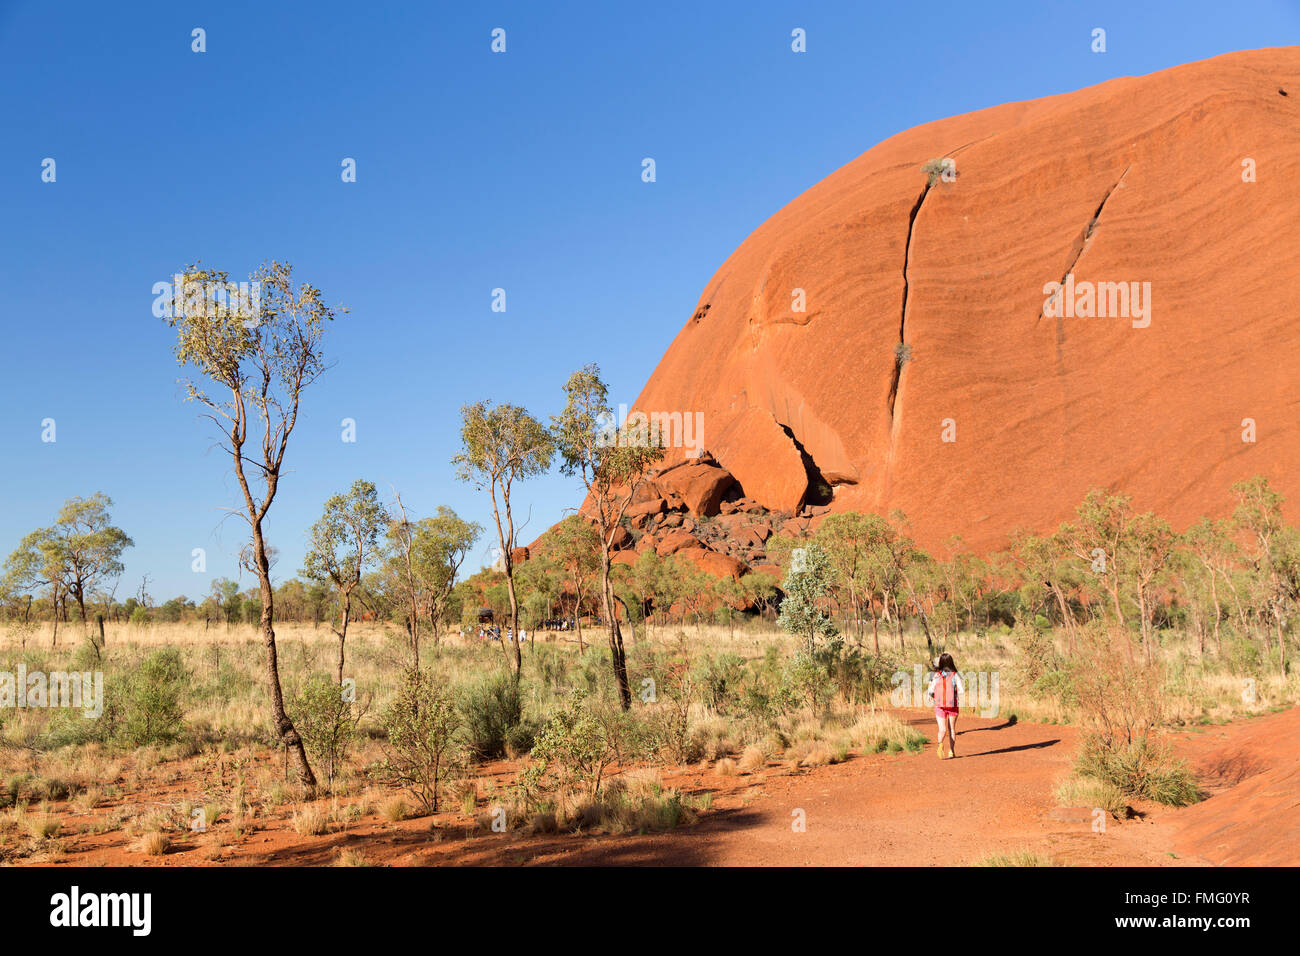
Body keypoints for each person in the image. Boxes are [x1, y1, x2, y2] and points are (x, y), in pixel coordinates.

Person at [926, 653, 965, 759]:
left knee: (942, 730)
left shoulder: (937, 675)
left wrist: (930, 695)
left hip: (939, 705)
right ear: (951, 662)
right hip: (953, 705)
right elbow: (961, 690)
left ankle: (940, 745)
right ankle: (952, 751)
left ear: (941, 663)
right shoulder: (955, 675)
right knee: (952, 729)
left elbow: (931, 688)